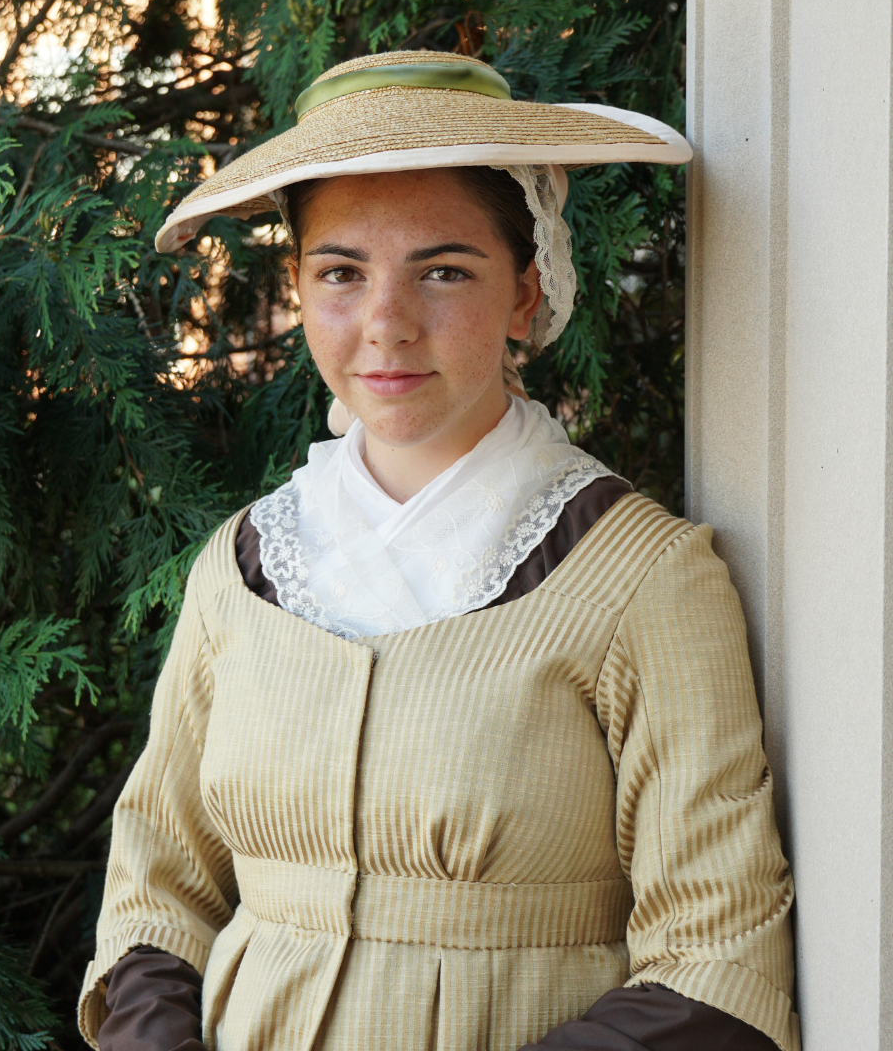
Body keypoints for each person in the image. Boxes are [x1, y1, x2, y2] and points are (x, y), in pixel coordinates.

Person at [78, 51, 798, 1051]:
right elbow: (157, 885)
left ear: (525, 290)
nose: (388, 326)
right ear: (296, 289)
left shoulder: (642, 578)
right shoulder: (241, 567)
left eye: (444, 270)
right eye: (341, 273)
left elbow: (716, 960)